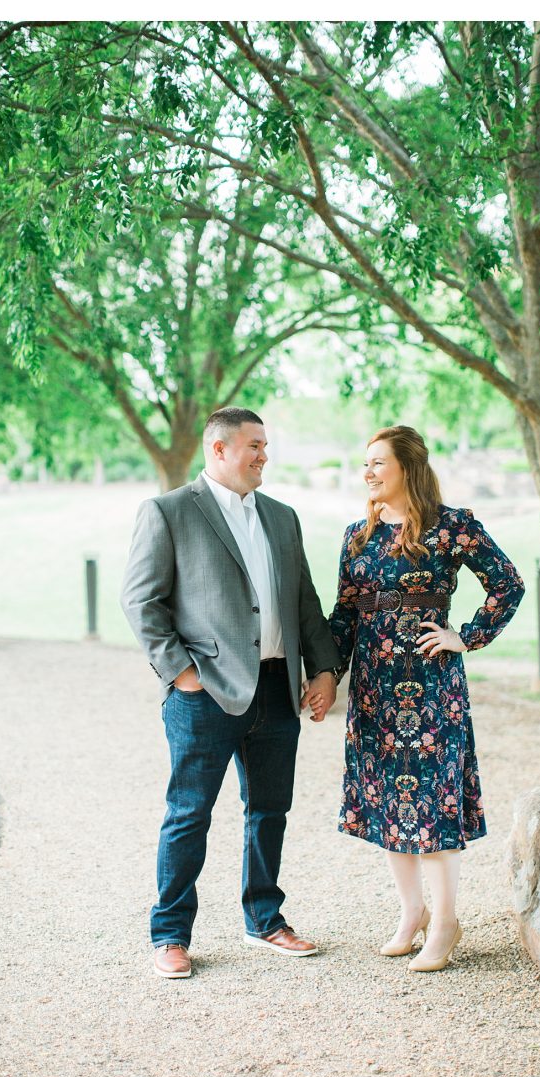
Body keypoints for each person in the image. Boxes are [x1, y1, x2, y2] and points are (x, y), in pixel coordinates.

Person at [121, 408, 341, 978]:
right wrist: (181, 673)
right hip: (205, 693)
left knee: (269, 811)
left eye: (265, 445)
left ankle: (265, 920)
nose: (264, 455)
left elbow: (305, 601)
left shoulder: (282, 517)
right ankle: (170, 935)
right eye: (254, 445)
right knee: (189, 813)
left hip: (277, 688)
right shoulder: (168, 512)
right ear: (219, 449)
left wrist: (323, 670)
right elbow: (141, 600)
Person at [317, 425, 524, 972]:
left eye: (378, 463)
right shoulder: (356, 536)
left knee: (433, 801)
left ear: (407, 467)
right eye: (365, 463)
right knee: (390, 800)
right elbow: (345, 614)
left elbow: (508, 583)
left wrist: (467, 636)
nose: (367, 472)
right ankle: (413, 913)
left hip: (431, 687)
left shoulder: (452, 526)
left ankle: (447, 920)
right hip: (374, 686)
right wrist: (329, 674)